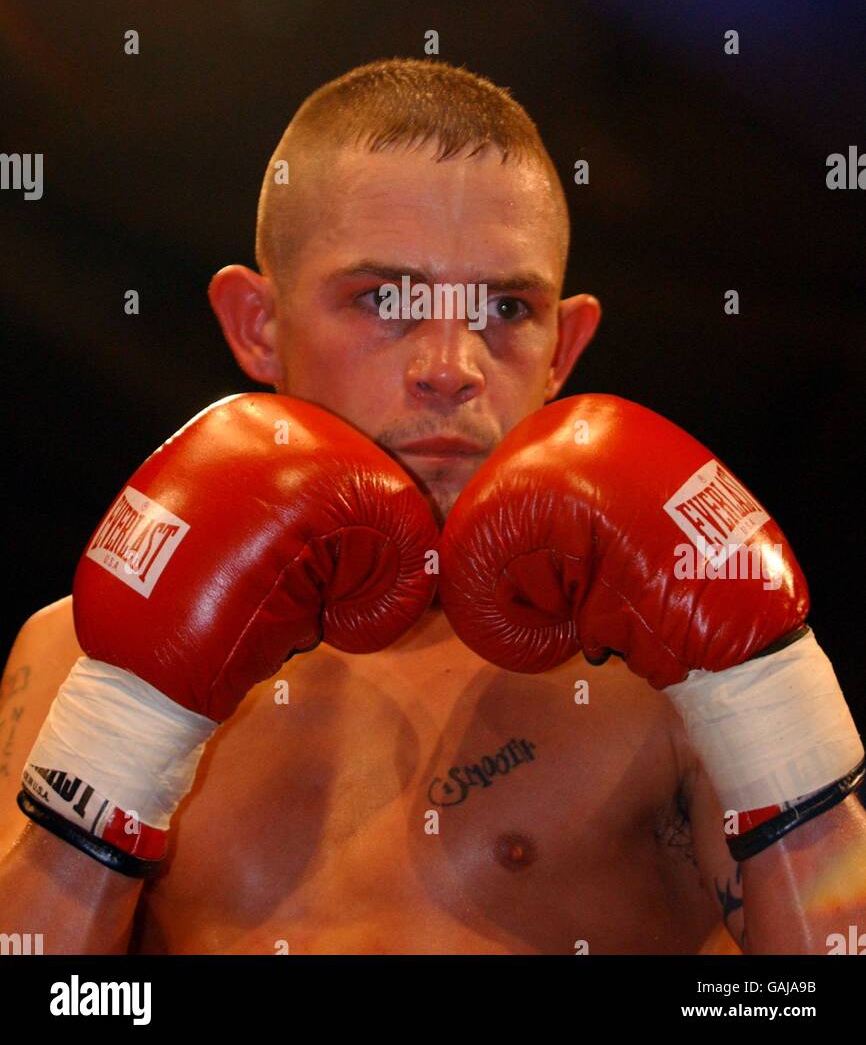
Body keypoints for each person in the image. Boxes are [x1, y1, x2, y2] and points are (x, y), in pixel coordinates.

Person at [1, 58, 863, 955]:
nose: (451, 365)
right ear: (257, 324)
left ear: (564, 345)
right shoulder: (82, 654)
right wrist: (124, 734)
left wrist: (768, 698)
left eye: (507, 307)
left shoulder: (674, 664)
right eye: (384, 299)